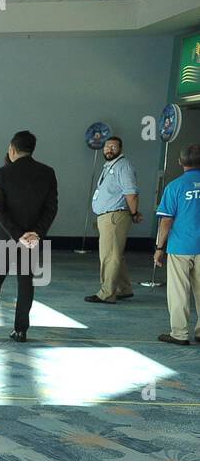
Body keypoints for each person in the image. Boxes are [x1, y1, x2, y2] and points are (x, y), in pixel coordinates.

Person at [0, 130, 58, 344]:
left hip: (5, 238)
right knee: (25, 283)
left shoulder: (2, 174)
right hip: (33, 240)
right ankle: (21, 331)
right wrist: (36, 233)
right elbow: (51, 208)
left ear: (12, 149)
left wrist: (18, 235)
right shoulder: (47, 173)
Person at [154, 144, 200, 346]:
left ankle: (179, 333)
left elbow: (166, 221)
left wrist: (159, 248)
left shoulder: (174, 187)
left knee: (179, 292)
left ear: (180, 162)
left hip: (180, 247)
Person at [87, 135, 141, 304]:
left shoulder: (123, 166)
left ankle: (106, 294)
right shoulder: (110, 165)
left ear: (120, 149)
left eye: (113, 147)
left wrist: (134, 213)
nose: (109, 149)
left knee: (109, 256)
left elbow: (131, 192)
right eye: (107, 146)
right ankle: (123, 289)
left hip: (114, 216)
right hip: (107, 216)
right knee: (115, 254)